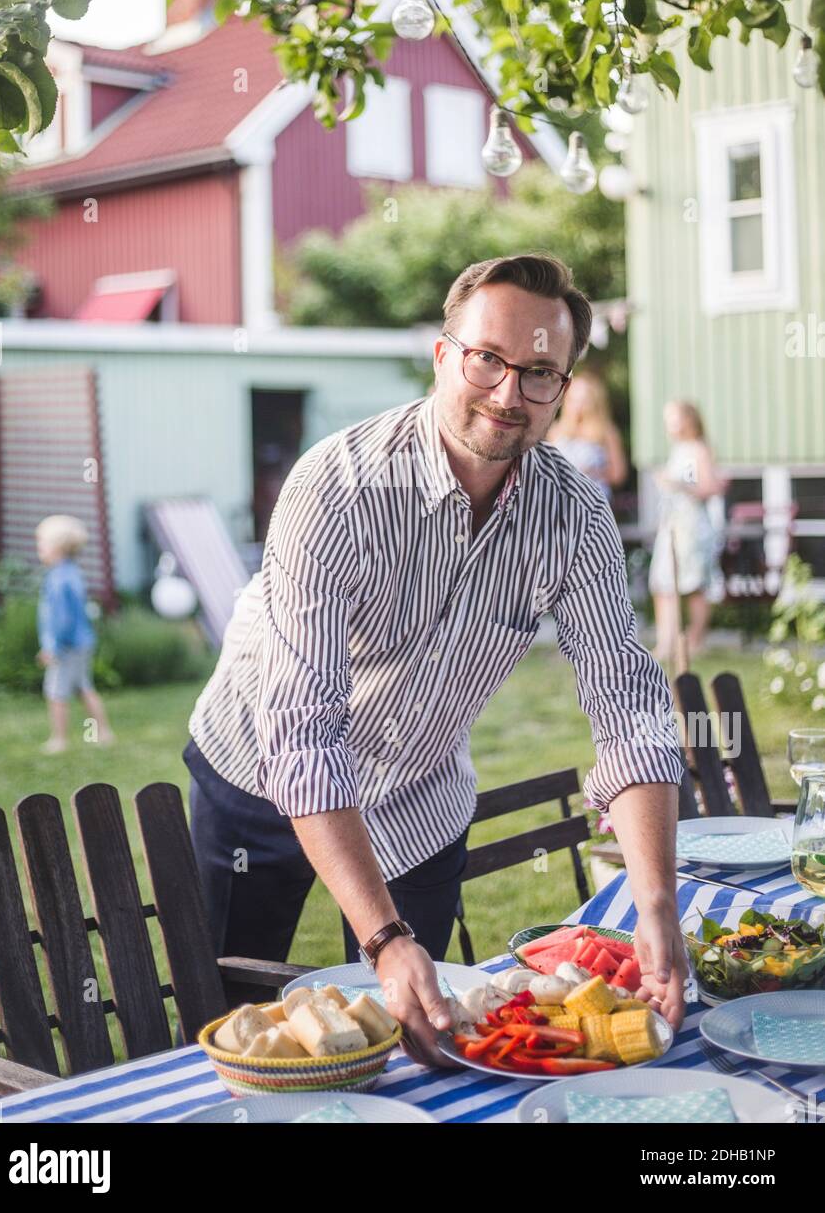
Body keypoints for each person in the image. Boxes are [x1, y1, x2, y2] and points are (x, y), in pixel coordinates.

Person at [184, 253, 688, 1069]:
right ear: (444, 353)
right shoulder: (336, 488)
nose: (507, 393)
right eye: (487, 359)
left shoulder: (576, 513)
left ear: (563, 388)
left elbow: (628, 703)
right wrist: (384, 940)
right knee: (243, 1039)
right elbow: (303, 737)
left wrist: (653, 899)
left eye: (539, 373)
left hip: (419, 790)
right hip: (259, 776)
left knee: (434, 1041)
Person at [649, 401, 728, 662]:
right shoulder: (678, 450)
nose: (669, 425)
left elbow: (706, 487)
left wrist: (677, 484)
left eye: (673, 418)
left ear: (689, 420)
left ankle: (695, 641)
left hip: (692, 528)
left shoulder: (698, 450)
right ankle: (666, 643)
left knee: (693, 585)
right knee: (664, 583)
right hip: (671, 525)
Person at [35, 514, 114, 754]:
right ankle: (103, 732)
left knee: (56, 692)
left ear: (57, 548)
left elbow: (60, 619)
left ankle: (58, 739)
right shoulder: (72, 573)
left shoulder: (58, 580)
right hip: (82, 642)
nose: (39, 549)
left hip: (66, 645)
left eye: (42, 544)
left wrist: (51, 647)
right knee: (83, 686)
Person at [546, 371, 627, 500]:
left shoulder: (606, 431)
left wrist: (591, 472)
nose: (578, 405)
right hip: (560, 500)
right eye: (574, 399)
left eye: (584, 400)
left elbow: (618, 474)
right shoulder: (555, 431)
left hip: (593, 500)